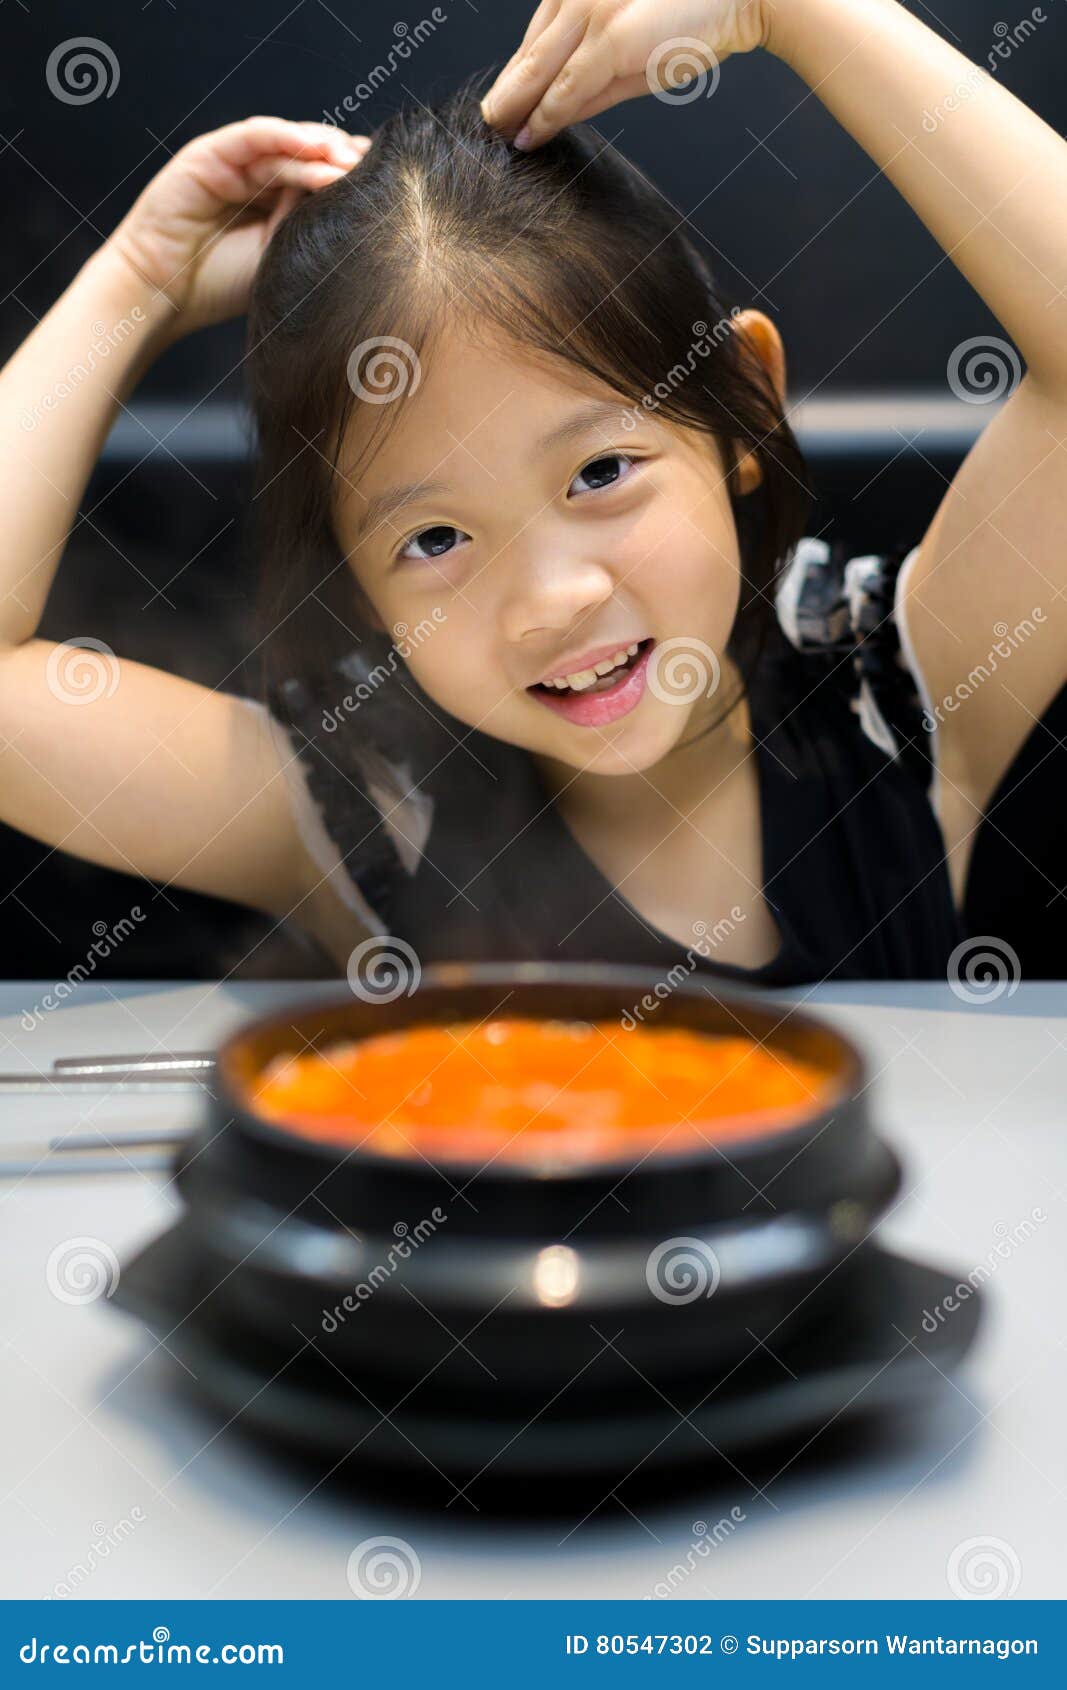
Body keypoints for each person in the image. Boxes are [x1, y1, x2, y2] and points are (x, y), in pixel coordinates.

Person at [2, 0, 1064, 990]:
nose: (550, 597)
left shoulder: (894, 699)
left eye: (599, 473)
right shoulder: (370, 807)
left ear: (740, 402)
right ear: (357, 584)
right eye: (432, 537)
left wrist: (795, 13)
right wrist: (134, 283)